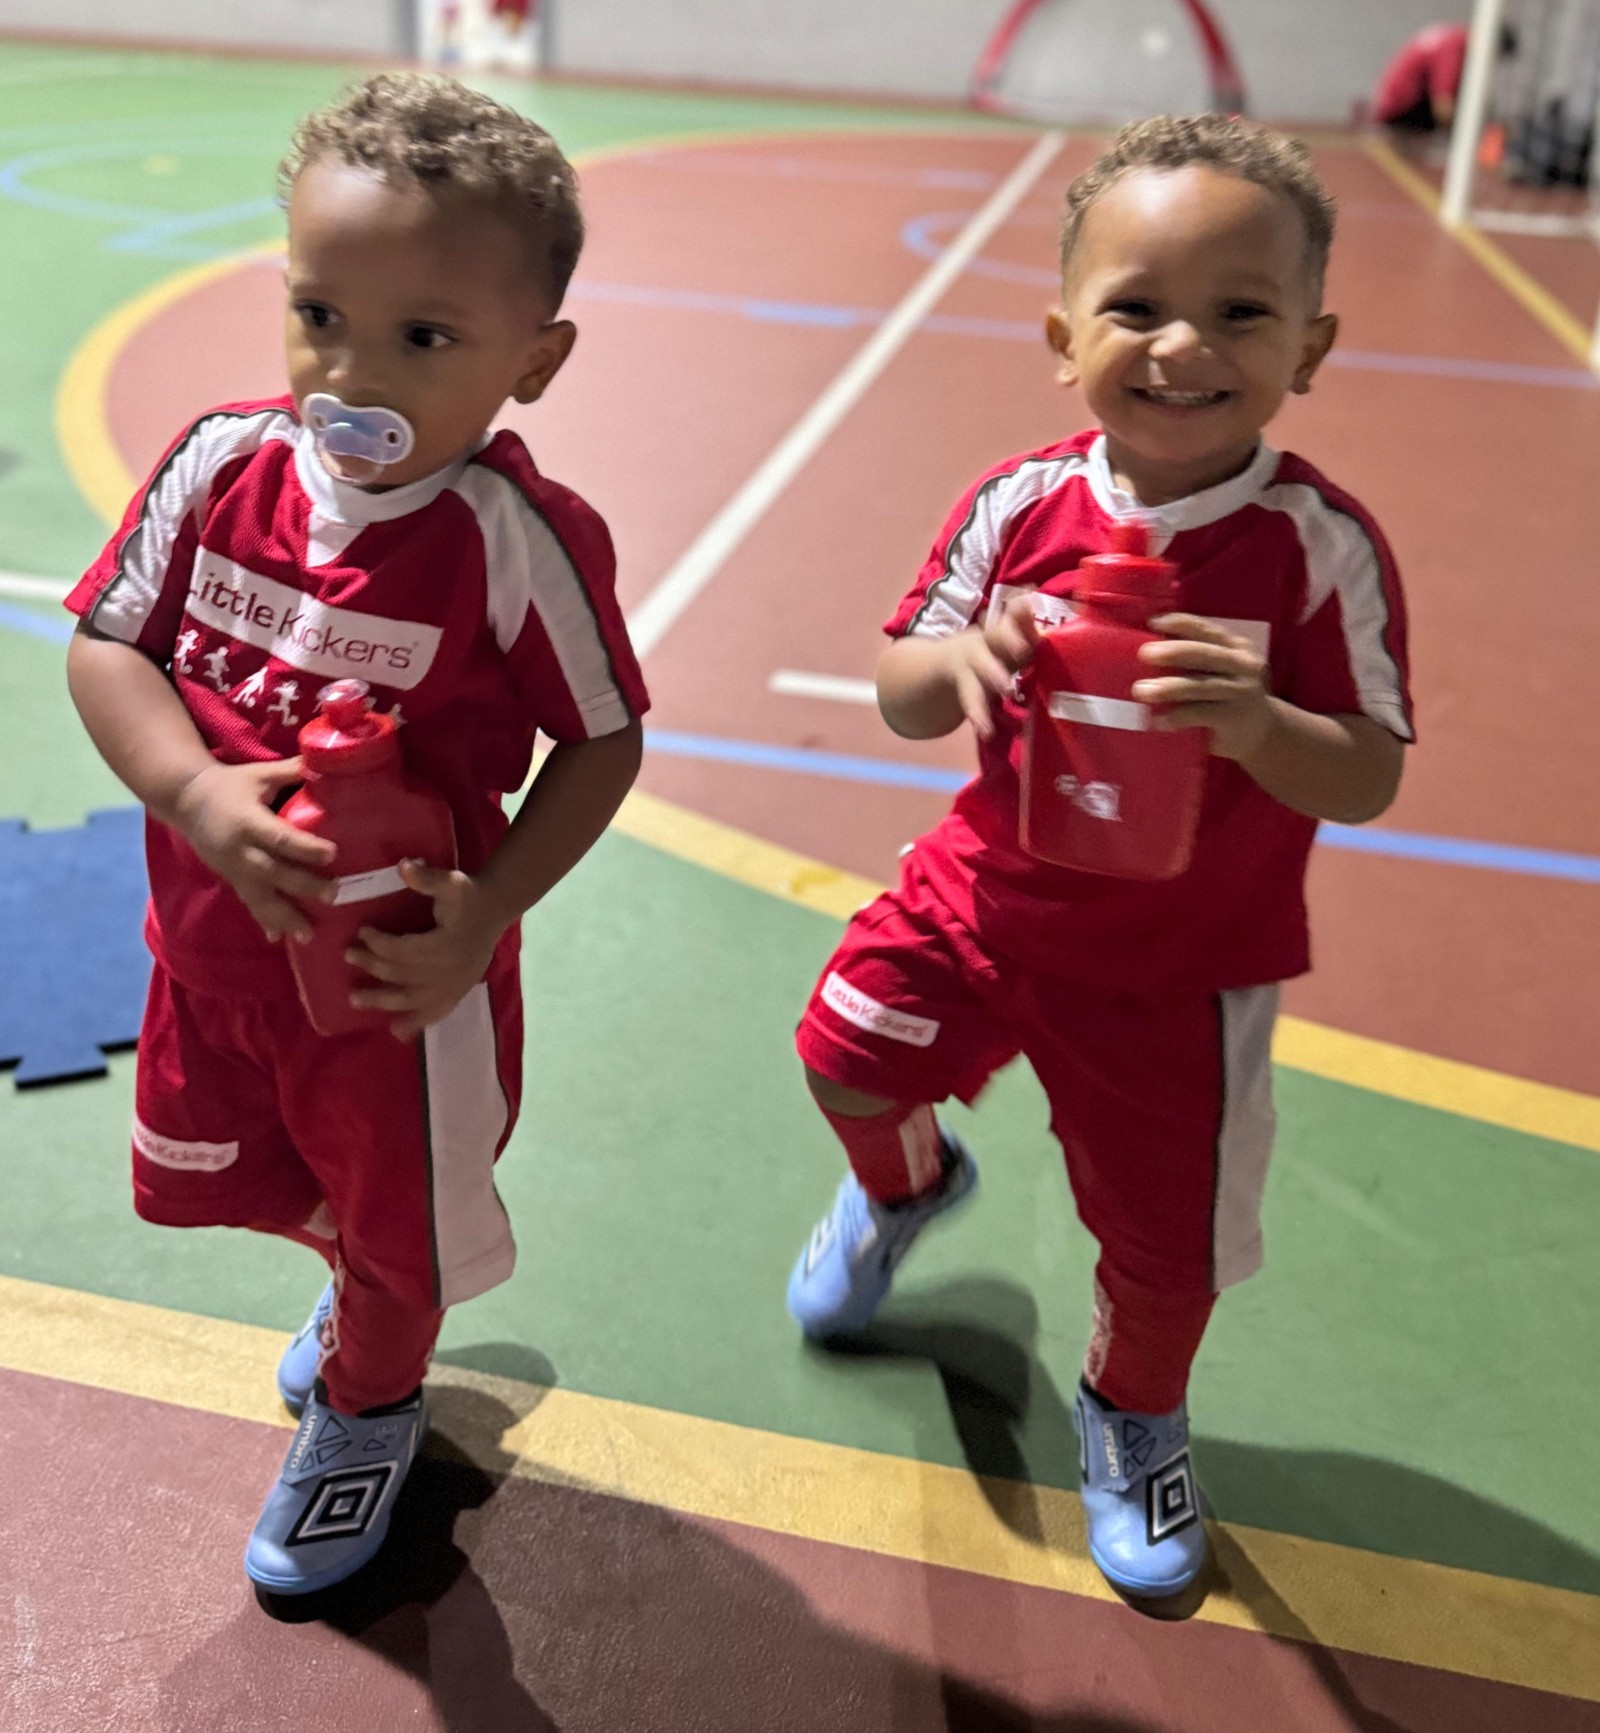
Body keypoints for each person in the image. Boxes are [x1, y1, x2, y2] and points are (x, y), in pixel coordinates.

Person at [784, 114, 1412, 1603]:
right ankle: (903, 1188)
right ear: (1065, 336)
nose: (1183, 344)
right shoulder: (1018, 507)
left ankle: (1132, 1412)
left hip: (1173, 974)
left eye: (1240, 313)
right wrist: (969, 655)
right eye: (1136, 306)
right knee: (843, 1056)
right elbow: (896, 680)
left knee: (1161, 1250)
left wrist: (1258, 720)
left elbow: (1371, 772)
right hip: (981, 899)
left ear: (1310, 347)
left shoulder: (1316, 547)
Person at [64, 72, 648, 1595]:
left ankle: (374, 1406)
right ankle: (355, 1317)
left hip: (398, 998)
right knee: (289, 1188)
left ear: (537, 361)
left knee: (399, 1228)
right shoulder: (216, 465)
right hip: (213, 956)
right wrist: (192, 791)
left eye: (424, 339)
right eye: (321, 315)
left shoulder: (518, 545)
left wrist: (490, 910)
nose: (352, 371)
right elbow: (108, 645)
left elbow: (602, 739)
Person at [1369, 21, 1471, 133]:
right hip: (1403, 116)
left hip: (1389, 106)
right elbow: (1443, 106)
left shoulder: (1448, 36)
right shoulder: (1454, 46)